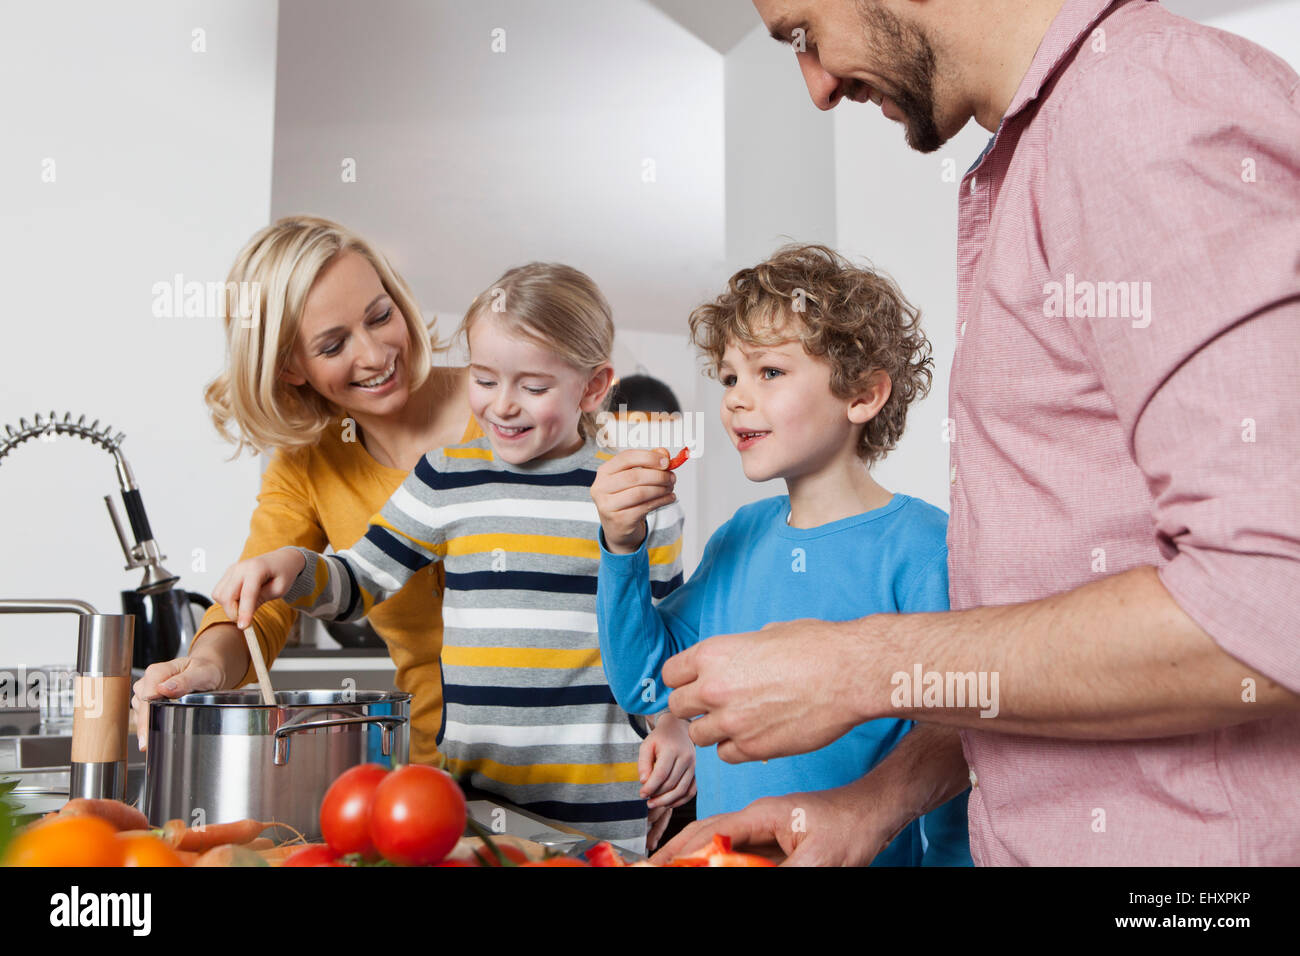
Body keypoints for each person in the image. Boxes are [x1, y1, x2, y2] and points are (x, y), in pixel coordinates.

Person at [655, 0, 1300, 865]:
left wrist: (859, 666)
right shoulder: (1045, 149)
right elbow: (1050, 650)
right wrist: (873, 802)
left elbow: (1272, 598)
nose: (814, 88)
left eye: (804, 32)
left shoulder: (1139, 108)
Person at [212, 262, 696, 854]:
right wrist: (294, 565)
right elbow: (358, 581)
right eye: (485, 379)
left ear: (593, 388)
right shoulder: (444, 477)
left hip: (605, 799)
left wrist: (675, 726)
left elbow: (669, 643)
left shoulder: (636, 495)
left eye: (534, 387)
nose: (503, 407)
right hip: (468, 800)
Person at [593, 243, 972, 865]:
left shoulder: (925, 548)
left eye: (769, 372)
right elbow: (644, 682)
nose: (737, 397)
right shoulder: (739, 536)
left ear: (863, 396)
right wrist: (622, 545)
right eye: (730, 378)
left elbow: (959, 739)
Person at [130, 215, 475, 766]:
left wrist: (664, 722)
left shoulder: (508, 408)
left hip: (597, 766)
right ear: (290, 366)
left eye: (380, 316)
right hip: (441, 778)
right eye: (334, 344)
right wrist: (205, 669)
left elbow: (620, 574)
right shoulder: (307, 465)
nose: (374, 353)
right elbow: (258, 604)